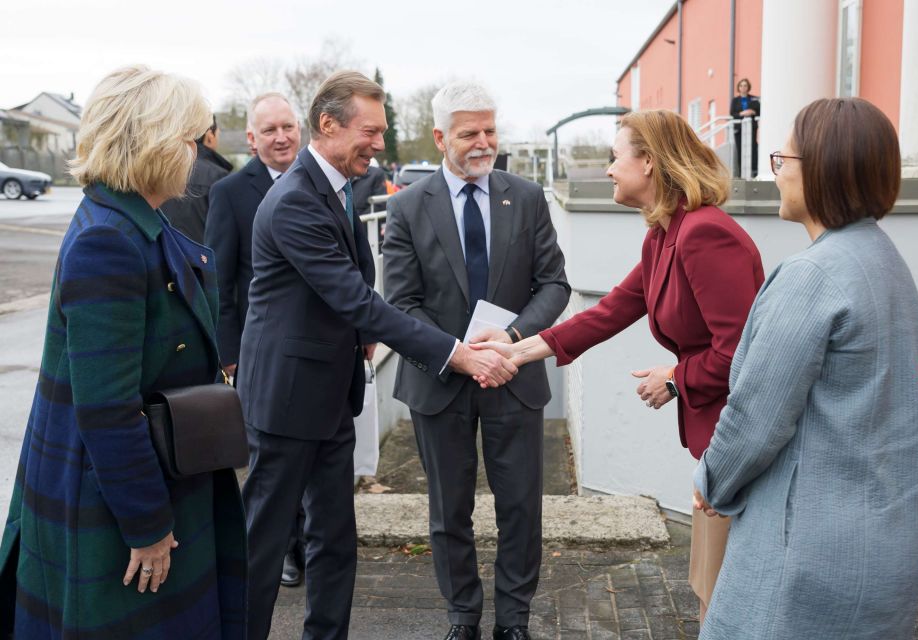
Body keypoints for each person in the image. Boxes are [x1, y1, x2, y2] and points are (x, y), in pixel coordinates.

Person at [237, 70, 518, 640]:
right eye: (370, 131)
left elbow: (355, 290)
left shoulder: (334, 189)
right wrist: (455, 355)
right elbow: (357, 301)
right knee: (263, 547)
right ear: (328, 125)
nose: (379, 143)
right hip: (286, 404)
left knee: (336, 541)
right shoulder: (294, 200)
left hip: (331, 399)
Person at [474, 109, 764, 624]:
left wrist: (674, 378)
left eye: (615, 157)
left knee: (722, 592)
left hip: (738, 442)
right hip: (714, 442)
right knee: (710, 586)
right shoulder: (664, 234)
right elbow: (610, 312)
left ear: (649, 162)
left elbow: (742, 353)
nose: (607, 170)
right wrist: (515, 348)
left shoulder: (704, 235)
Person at [0, 65, 246, 639]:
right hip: (115, 500)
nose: (194, 153)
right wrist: (147, 526)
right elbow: (108, 408)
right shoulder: (109, 239)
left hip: (149, 477)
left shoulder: (131, 221)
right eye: (189, 139)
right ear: (157, 143)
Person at [692, 98, 918, 639]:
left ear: (821, 169)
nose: (775, 175)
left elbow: (756, 418)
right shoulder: (889, 264)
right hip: (886, 540)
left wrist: (711, 480)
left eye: (783, 160)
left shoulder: (811, 276)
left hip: (805, 552)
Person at [382, 81, 570, 640]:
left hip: (512, 375)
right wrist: (462, 357)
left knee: (520, 508)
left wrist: (509, 339)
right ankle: (462, 616)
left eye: (490, 130)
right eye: (469, 134)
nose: (483, 142)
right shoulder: (407, 206)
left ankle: (514, 620)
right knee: (448, 512)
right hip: (440, 381)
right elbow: (401, 302)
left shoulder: (527, 197)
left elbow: (553, 285)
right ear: (441, 137)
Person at [203, 92, 307, 588]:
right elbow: (219, 282)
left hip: (317, 350)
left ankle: (308, 541)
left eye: (287, 127)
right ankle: (281, 550)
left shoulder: (329, 181)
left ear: (301, 129)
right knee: (268, 460)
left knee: (315, 451)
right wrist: (229, 358)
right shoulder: (229, 192)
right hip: (259, 353)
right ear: (250, 139)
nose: (281, 137)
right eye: (269, 131)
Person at [161, 114, 234, 242]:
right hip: (204, 258)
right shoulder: (220, 178)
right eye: (218, 133)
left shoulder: (162, 171)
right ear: (210, 136)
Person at [729, 78, 760, 178]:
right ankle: (742, 174)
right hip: (739, 128)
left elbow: (760, 111)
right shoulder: (735, 100)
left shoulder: (754, 99)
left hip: (751, 128)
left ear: (748, 87)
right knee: (740, 150)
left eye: (745, 85)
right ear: (738, 87)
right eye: (741, 85)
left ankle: (754, 171)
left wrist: (753, 112)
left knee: (753, 148)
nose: (743, 87)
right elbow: (732, 114)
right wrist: (742, 113)